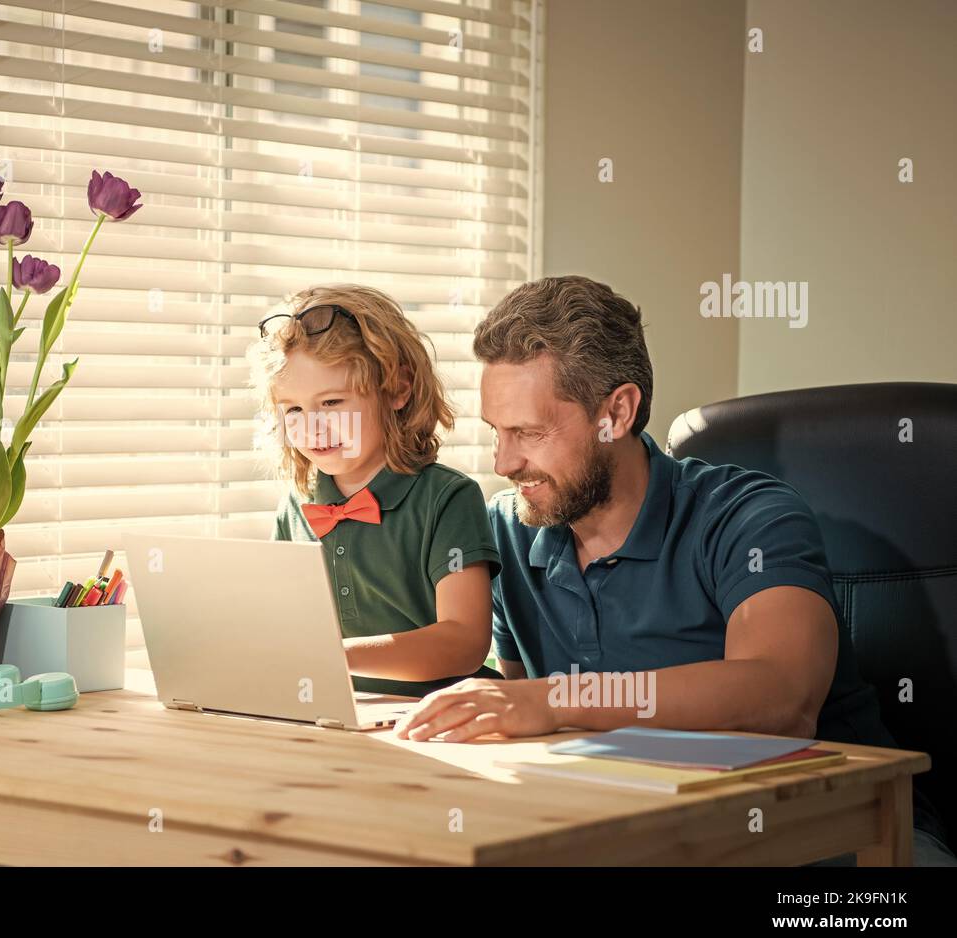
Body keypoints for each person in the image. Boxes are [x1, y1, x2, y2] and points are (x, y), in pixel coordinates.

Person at [394, 275, 954, 865]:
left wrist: (555, 698)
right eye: (496, 433)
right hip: (656, 836)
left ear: (618, 412)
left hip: (839, 837)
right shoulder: (508, 531)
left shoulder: (751, 517)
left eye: (529, 433)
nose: (505, 462)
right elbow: (528, 718)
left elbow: (782, 699)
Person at [248, 284, 500, 696]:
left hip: (440, 717)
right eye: (293, 408)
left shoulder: (448, 498)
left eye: (331, 403)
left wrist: (336, 655)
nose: (312, 425)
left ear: (398, 389)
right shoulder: (295, 507)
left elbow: (465, 642)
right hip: (341, 714)